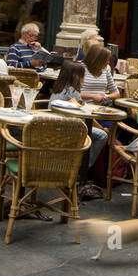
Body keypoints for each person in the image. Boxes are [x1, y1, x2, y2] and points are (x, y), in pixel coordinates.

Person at [45, 62, 108, 200]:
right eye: (83, 75)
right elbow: (86, 114)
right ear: (77, 77)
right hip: (67, 130)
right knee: (102, 135)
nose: (84, 78)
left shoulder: (60, 88)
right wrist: (102, 128)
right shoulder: (72, 92)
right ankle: (83, 168)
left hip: (55, 127)